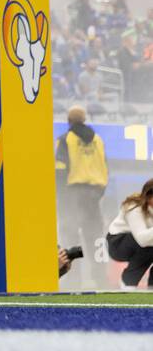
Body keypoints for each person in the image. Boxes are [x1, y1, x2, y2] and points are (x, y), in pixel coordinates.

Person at [55, 105, 108, 287]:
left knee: (70, 237)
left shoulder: (65, 139)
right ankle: (101, 280)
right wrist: (98, 193)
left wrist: (61, 197)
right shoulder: (98, 140)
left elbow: (60, 169)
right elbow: (105, 169)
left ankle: (73, 280)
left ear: (69, 121)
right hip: (94, 195)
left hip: (73, 195)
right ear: (85, 120)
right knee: (95, 238)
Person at [106, 179, 153, 290]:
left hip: (143, 243)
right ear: (148, 196)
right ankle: (128, 283)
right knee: (148, 247)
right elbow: (142, 239)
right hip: (118, 244)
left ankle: (152, 288)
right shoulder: (134, 207)